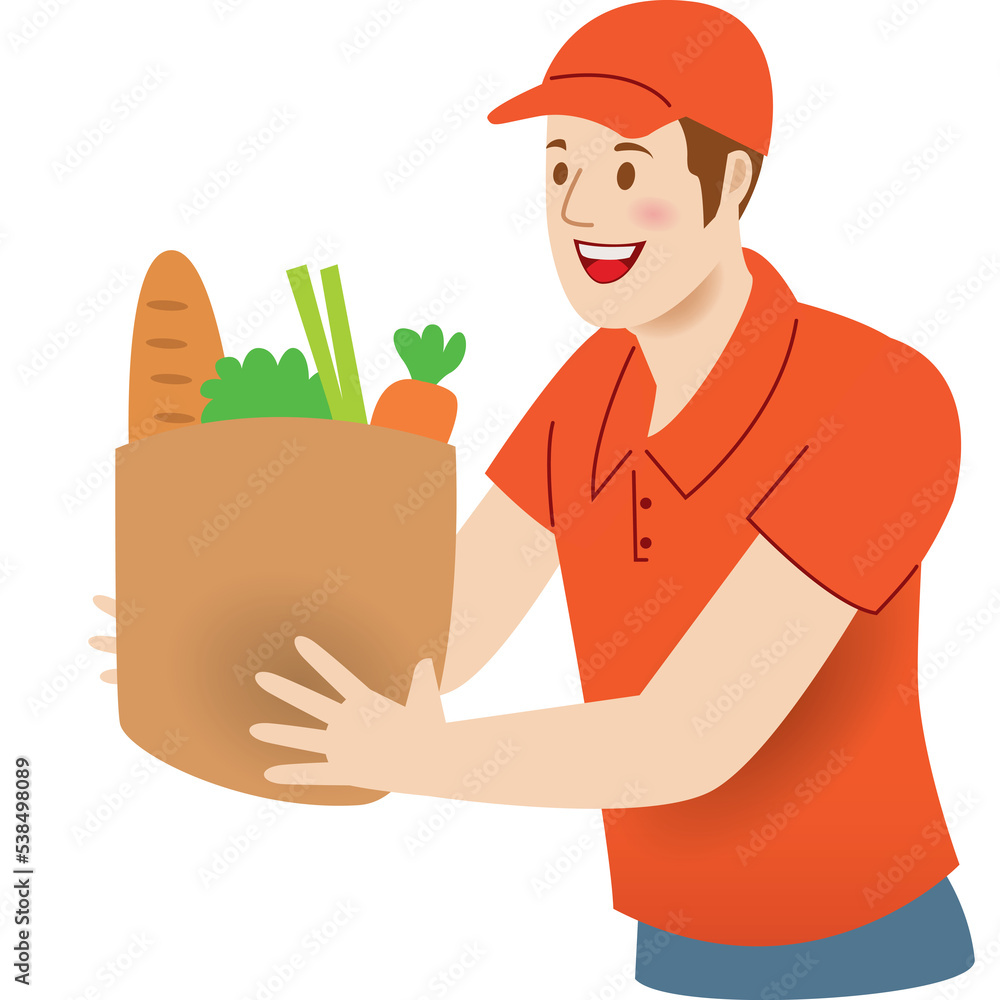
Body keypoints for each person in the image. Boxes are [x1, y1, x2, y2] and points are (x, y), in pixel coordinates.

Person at [94, 2, 974, 995]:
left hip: (868, 950)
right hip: (674, 942)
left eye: (628, 169)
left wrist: (421, 758)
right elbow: (440, 631)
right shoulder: (592, 389)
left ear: (729, 182)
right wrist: (213, 629)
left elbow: (691, 732)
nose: (581, 210)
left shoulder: (878, 402)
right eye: (560, 168)